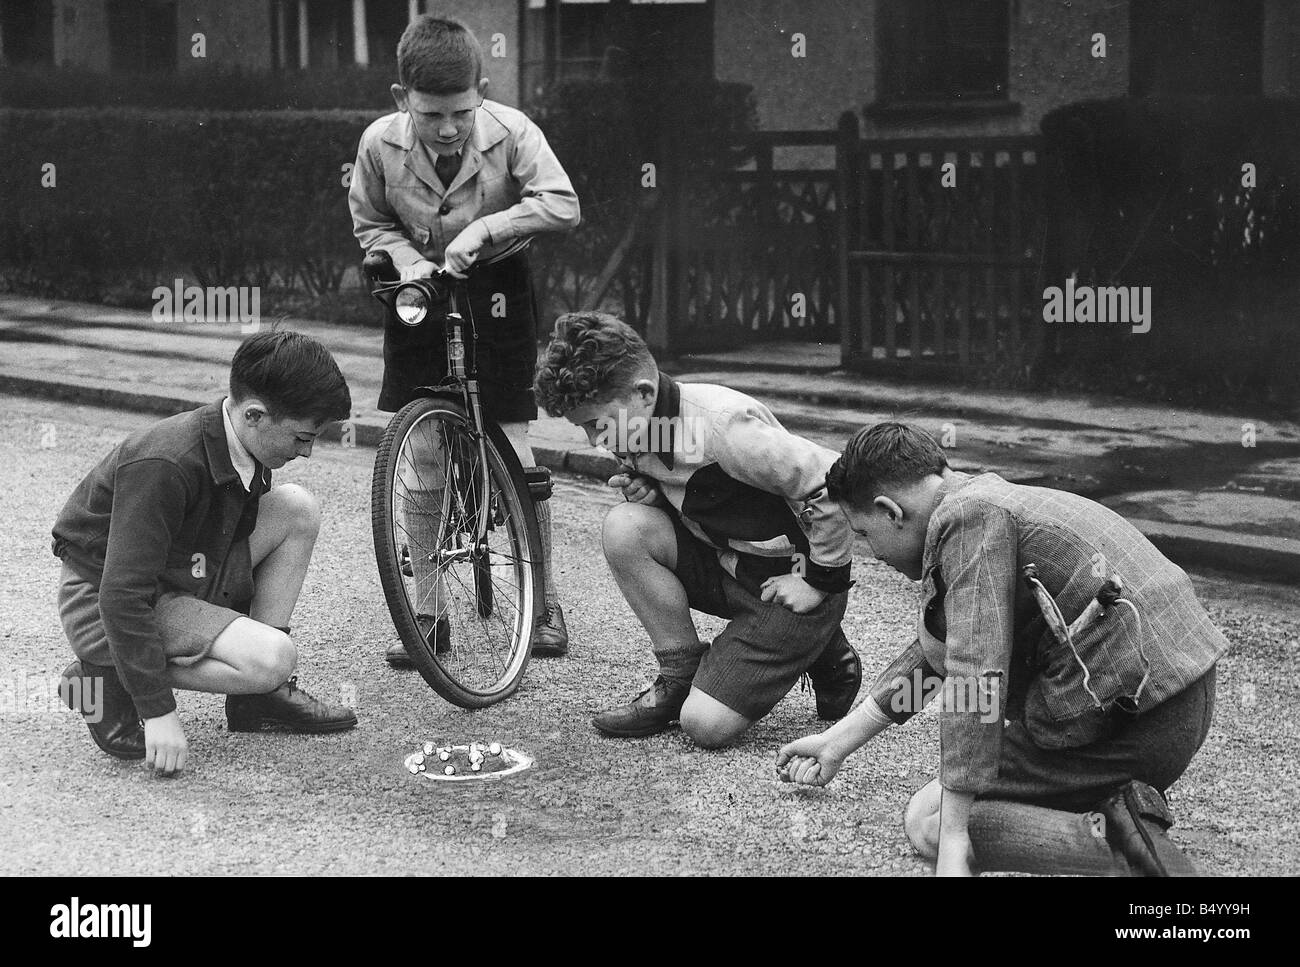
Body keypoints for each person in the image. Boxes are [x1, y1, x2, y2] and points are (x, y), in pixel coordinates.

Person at [777, 422, 1228, 876]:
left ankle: (1124, 848)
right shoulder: (979, 499)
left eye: (865, 534)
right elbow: (941, 657)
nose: (874, 553)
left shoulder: (967, 522)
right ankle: (1117, 809)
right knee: (947, 805)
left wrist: (955, 840)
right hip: (1177, 696)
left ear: (890, 510)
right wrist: (838, 743)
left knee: (929, 822)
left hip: (1137, 725)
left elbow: (976, 674)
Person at [348, 14, 580, 663]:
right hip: (421, 288)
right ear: (402, 102)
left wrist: (486, 230)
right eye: (430, 115)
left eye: (459, 112)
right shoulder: (376, 145)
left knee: (516, 442)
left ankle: (544, 600)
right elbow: (370, 224)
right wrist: (405, 259)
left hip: (497, 285)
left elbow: (563, 202)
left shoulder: (511, 132)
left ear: (480, 90)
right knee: (421, 452)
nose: (448, 129)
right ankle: (429, 610)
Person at [534, 312, 862, 748]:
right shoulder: (636, 425)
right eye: (585, 428)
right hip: (734, 566)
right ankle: (680, 672)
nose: (596, 440)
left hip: (792, 582)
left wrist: (820, 583)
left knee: (705, 726)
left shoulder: (723, 424)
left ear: (644, 393)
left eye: (597, 424)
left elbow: (833, 482)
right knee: (626, 526)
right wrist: (654, 495)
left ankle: (825, 647)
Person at [52, 331, 358, 776]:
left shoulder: (242, 440)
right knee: (273, 657)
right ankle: (104, 677)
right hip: (105, 600)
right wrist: (158, 711)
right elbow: (121, 593)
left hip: (182, 571)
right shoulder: (165, 462)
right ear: (254, 415)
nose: (307, 451)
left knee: (297, 508)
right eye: (301, 437)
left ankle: (257, 700)